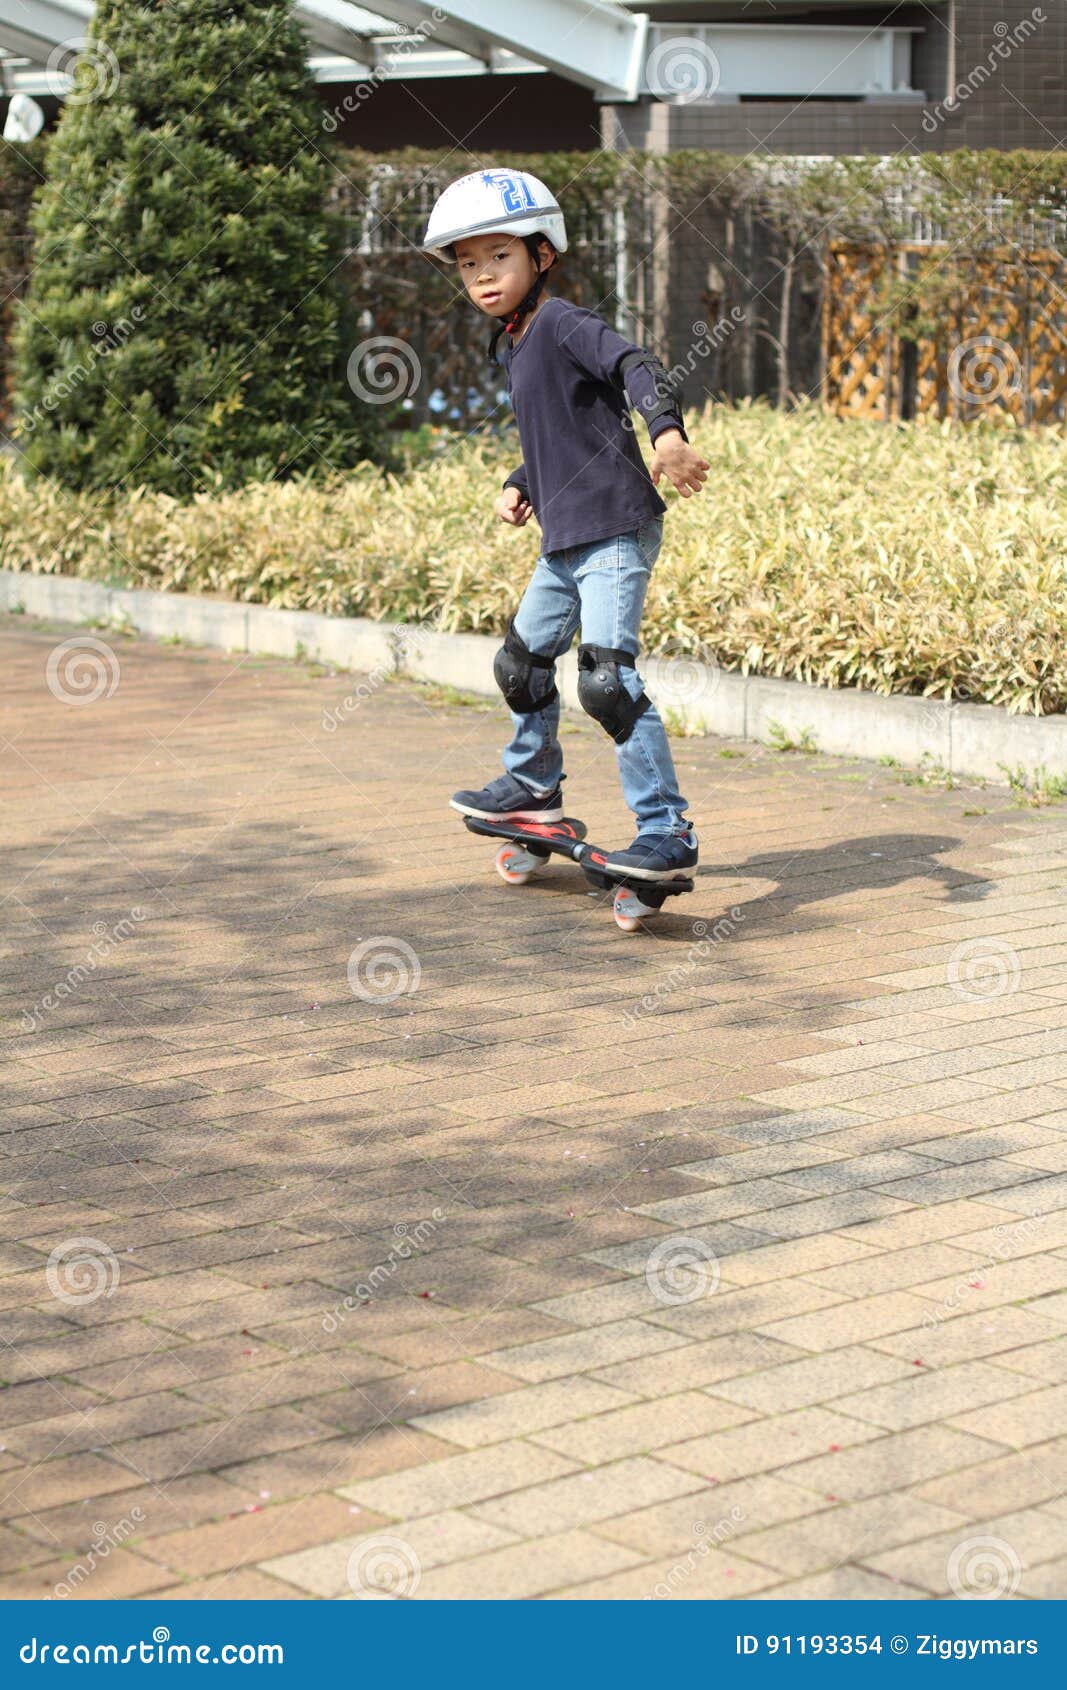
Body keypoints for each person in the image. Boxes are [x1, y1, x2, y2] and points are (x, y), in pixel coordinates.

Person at [421, 168, 709, 878]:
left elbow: (636, 365)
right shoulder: (515, 339)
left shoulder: (561, 322)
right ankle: (534, 787)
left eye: (499, 257)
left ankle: (666, 829)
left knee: (606, 682)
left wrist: (665, 435)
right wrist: (521, 481)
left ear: (541, 256)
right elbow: (563, 431)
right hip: (566, 534)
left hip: (613, 526)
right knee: (520, 665)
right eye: (467, 264)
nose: (482, 275)